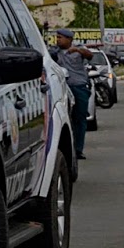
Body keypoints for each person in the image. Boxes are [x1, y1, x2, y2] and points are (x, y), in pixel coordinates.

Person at [52, 28, 93, 160]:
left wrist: (77, 50)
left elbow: (89, 55)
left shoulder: (79, 50)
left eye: (60, 37)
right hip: (62, 88)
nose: (58, 40)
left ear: (69, 39)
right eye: (57, 37)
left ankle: (78, 149)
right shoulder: (54, 52)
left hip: (78, 87)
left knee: (79, 119)